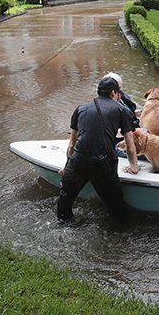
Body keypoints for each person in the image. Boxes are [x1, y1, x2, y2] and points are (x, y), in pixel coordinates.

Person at [57, 76, 139, 224]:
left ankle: (65, 224)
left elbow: (71, 145)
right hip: (104, 164)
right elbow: (130, 147)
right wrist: (134, 168)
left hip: (79, 161)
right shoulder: (121, 109)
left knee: (65, 203)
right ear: (114, 93)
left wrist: (67, 165)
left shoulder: (80, 108)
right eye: (119, 94)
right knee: (118, 212)